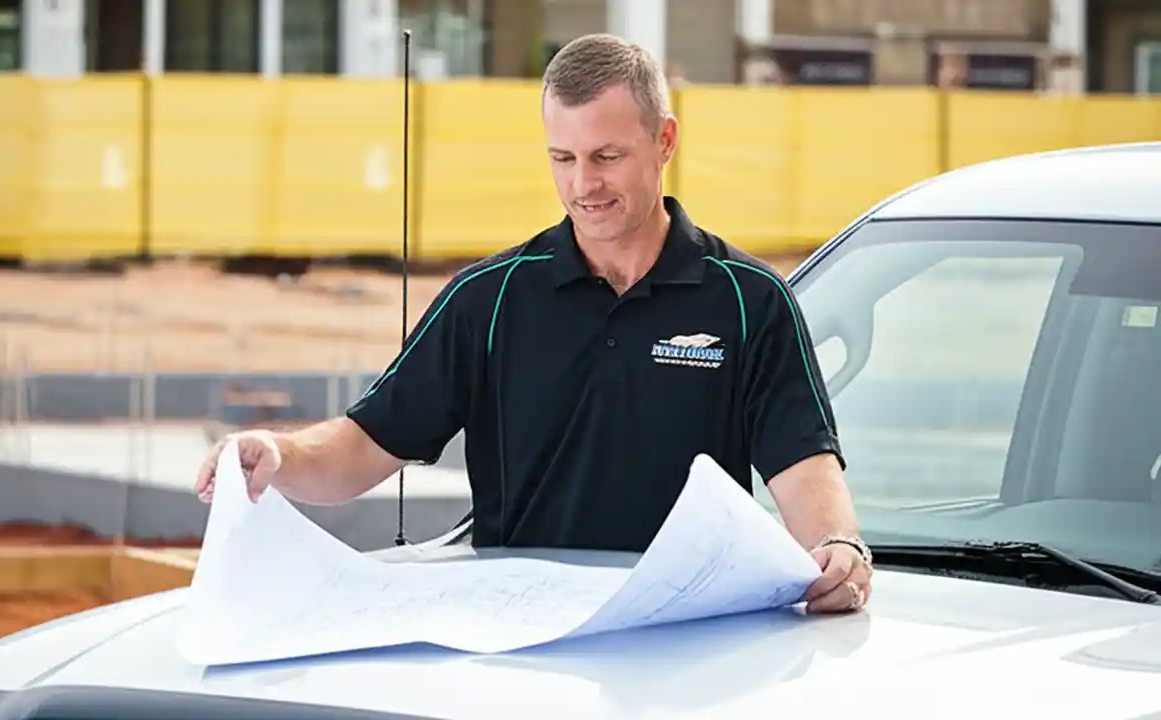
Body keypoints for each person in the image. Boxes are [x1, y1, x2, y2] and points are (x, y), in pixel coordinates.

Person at [195, 33, 872, 614]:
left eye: (607, 157)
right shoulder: (488, 301)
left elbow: (805, 467)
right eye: (563, 159)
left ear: (664, 140)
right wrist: (279, 455)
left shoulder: (748, 301)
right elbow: (359, 450)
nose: (584, 185)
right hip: (521, 644)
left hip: (688, 637)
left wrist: (838, 547)